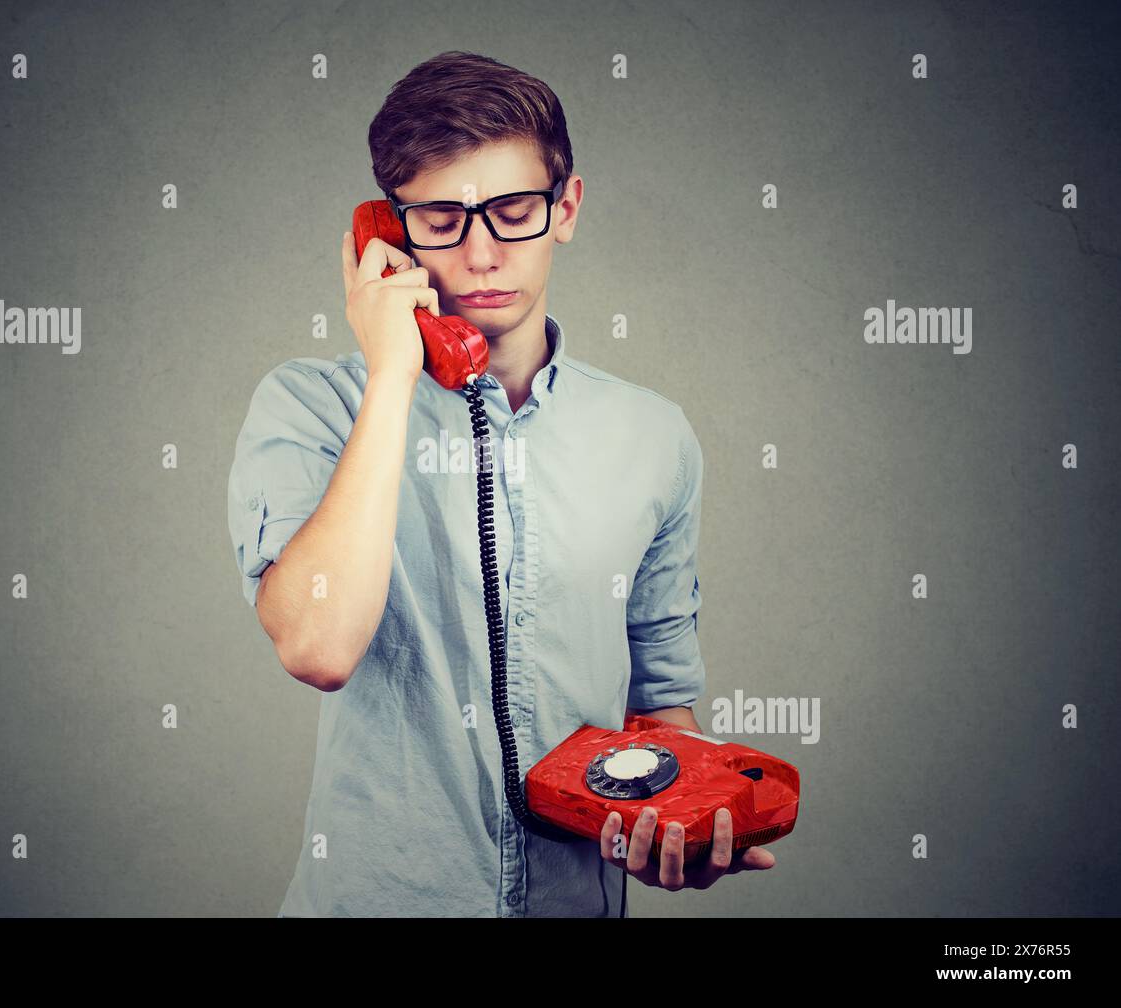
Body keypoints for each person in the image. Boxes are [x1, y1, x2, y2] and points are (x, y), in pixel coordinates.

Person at [226, 50, 775, 917]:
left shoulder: (654, 435)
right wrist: (394, 374)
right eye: (441, 219)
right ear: (389, 233)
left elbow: (659, 716)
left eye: (513, 211)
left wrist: (684, 827)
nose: (482, 254)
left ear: (566, 209)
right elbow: (318, 647)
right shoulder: (314, 407)